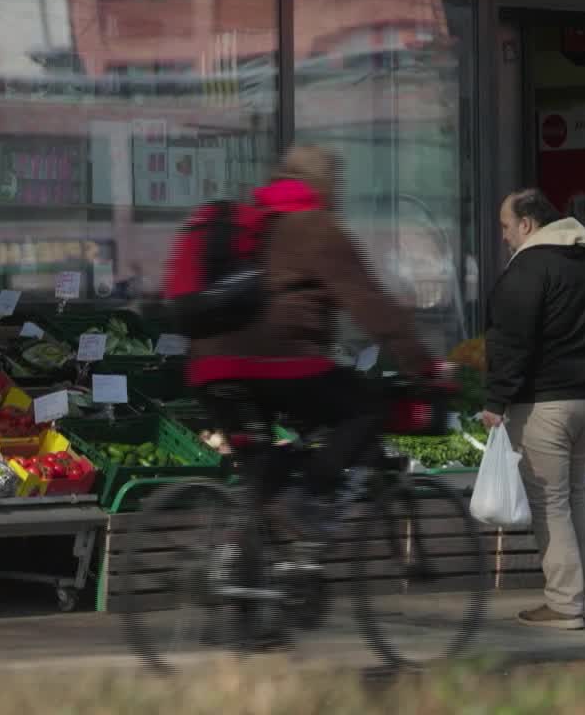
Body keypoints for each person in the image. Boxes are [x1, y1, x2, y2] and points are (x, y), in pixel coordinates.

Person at [178, 144, 437, 539]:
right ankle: (309, 497)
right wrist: (423, 365)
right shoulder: (315, 226)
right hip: (278, 362)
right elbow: (371, 304)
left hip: (208, 367)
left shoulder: (254, 223)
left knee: (266, 478)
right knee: (365, 409)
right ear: (325, 186)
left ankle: (247, 578)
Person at [479, 188, 585, 631]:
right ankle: (574, 597)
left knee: (552, 505)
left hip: (545, 404)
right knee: (573, 499)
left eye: (505, 226)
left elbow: (512, 339)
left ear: (527, 224)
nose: (503, 237)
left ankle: (564, 604)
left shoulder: (531, 265)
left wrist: (495, 399)